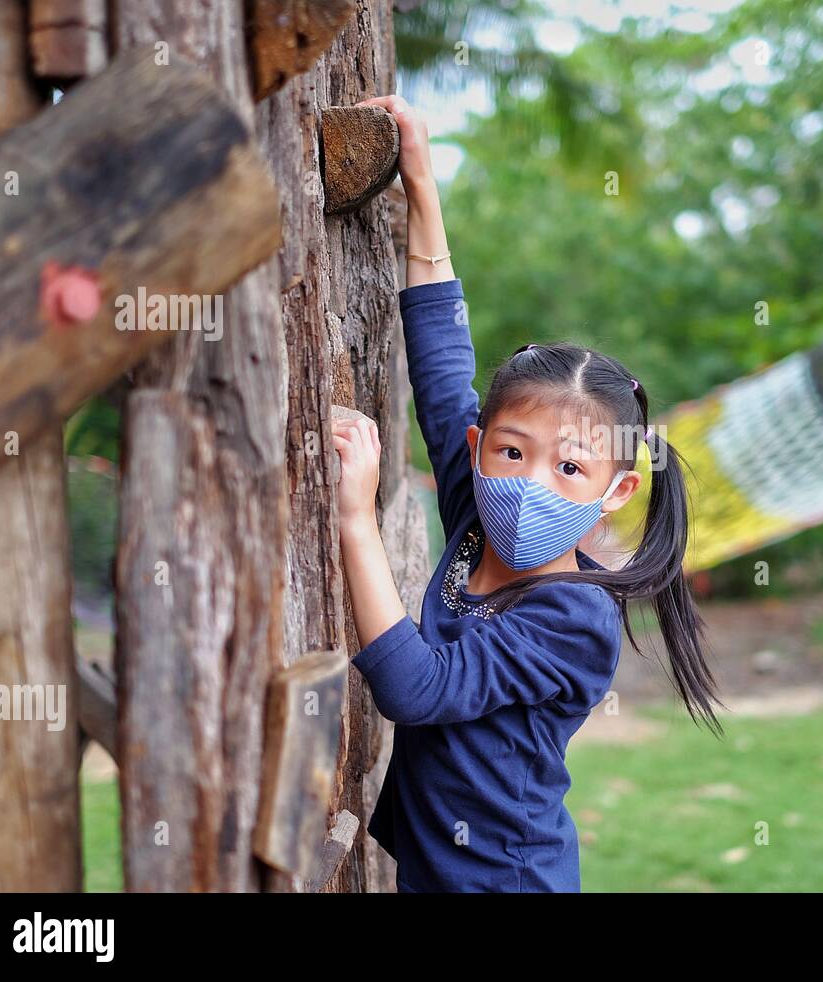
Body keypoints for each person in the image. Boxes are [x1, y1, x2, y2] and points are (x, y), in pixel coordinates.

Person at [332, 94, 726, 893]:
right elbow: (443, 373)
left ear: (615, 490)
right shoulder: (477, 516)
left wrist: (354, 518)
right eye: (512, 452)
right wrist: (421, 185)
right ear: (479, 450)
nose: (528, 482)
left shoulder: (574, 617)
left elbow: (416, 688)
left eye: (570, 468)